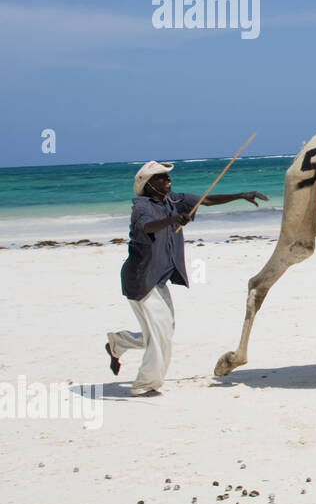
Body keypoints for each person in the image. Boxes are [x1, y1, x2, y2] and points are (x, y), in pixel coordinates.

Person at [106, 162, 268, 396]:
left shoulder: (173, 199)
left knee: (164, 331)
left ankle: (118, 343)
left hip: (158, 276)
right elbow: (147, 227)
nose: (168, 181)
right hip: (141, 277)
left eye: (168, 177)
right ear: (149, 184)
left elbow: (206, 200)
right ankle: (144, 385)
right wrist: (173, 221)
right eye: (161, 178)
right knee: (160, 334)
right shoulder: (142, 206)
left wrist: (241, 195)